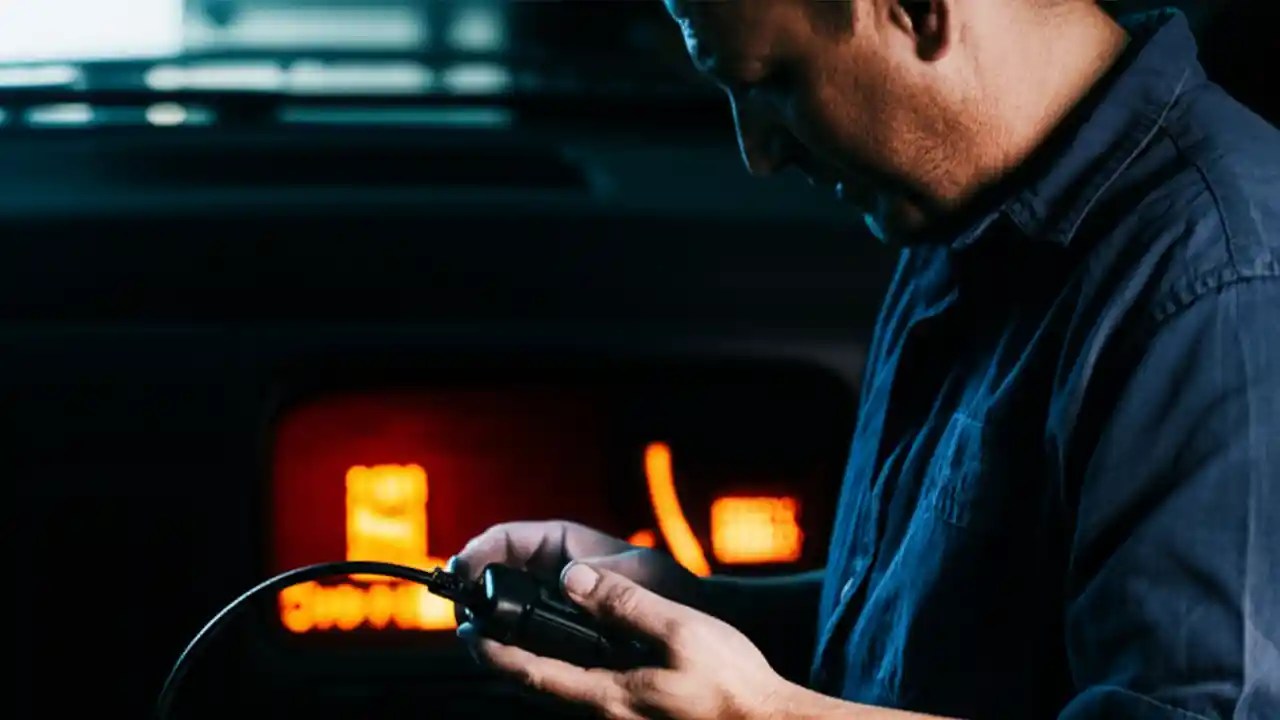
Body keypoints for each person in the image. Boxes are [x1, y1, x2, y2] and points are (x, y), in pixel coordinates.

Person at [449, 1, 1280, 718]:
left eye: (773, 79)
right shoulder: (954, 209)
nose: (758, 152)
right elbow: (964, 639)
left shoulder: (1222, 289)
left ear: (921, 10)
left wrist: (761, 714)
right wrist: (693, 612)